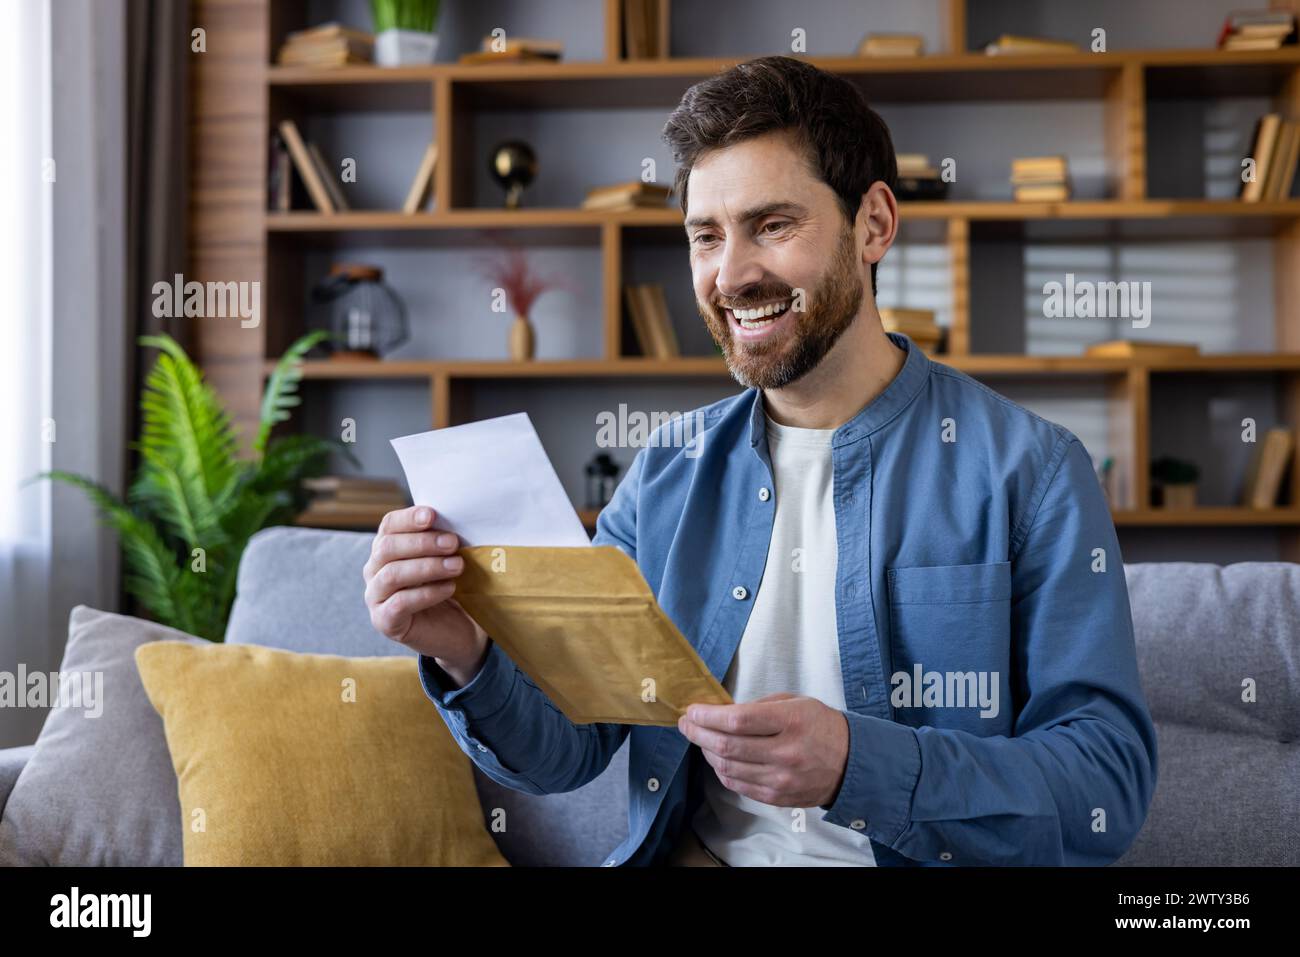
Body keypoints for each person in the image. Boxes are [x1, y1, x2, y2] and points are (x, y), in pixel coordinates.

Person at [362, 55, 1157, 867]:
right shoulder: (666, 471)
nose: (732, 274)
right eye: (706, 236)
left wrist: (858, 763)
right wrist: (463, 648)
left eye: (773, 225)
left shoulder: (1033, 470)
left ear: (875, 224)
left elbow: (1105, 786)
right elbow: (570, 746)